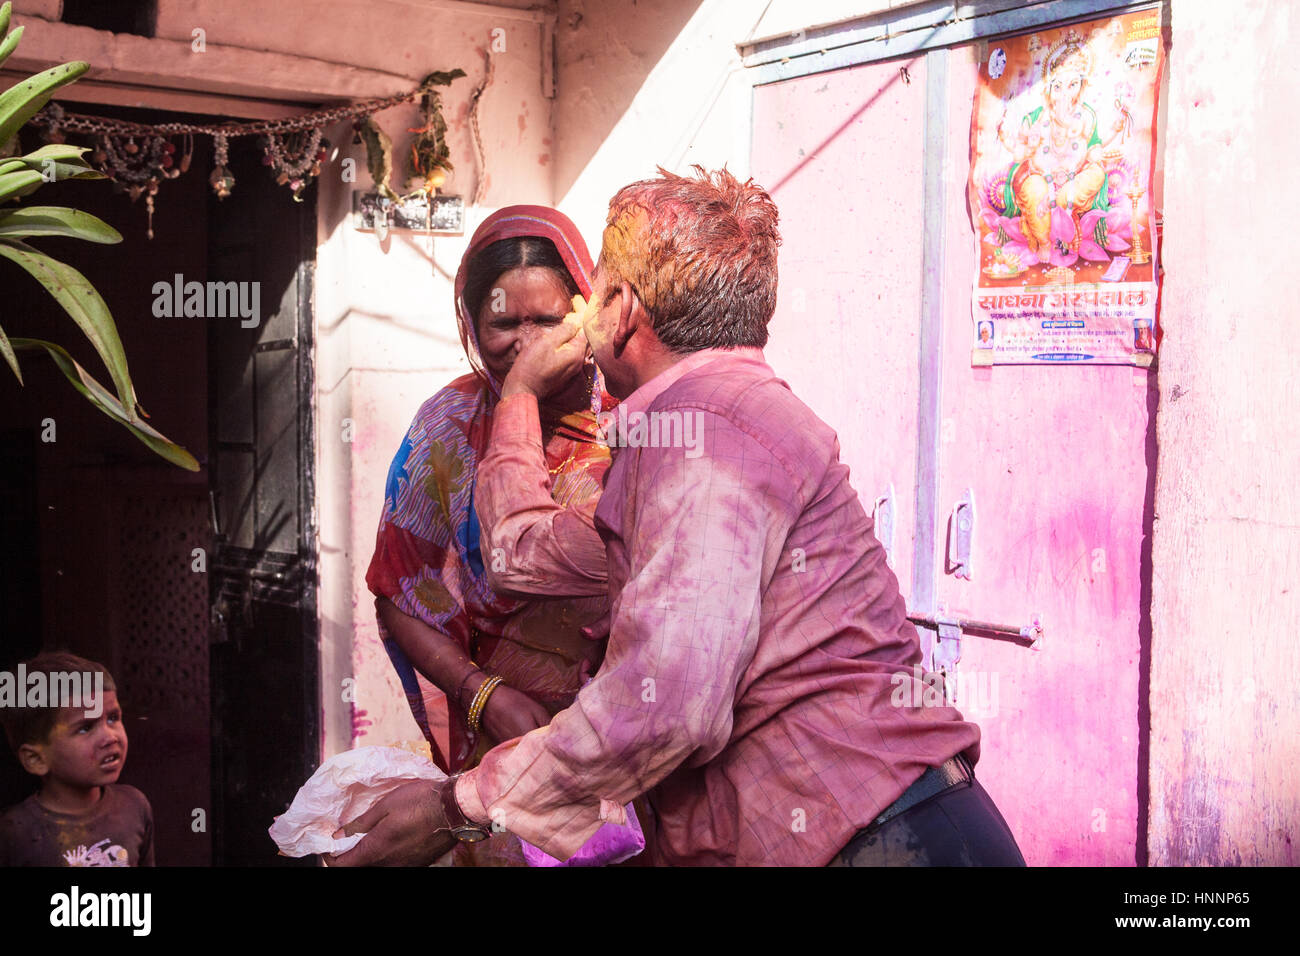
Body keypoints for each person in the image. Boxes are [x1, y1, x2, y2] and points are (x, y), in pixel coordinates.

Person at [336, 168, 1025, 867]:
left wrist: (459, 808)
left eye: (565, 309)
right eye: (504, 323)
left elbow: (664, 706)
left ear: (617, 306)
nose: (534, 341)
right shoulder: (691, 424)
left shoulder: (705, 440)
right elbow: (526, 555)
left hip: (884, 843)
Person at [364, 205, 617, 866]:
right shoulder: (448, 424)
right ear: (471, 323)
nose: (527, 344)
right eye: (504, 322)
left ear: (587, 310)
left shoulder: (636, 419)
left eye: (549, 320)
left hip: (630, 741)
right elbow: (398, 591)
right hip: (506, 742)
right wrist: (483, 696)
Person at [0, 652, 154, 866]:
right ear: (36, 759)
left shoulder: (134, 807)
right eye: (85, 728)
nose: (110, 737)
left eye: (113, 718)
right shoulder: (14, 834)